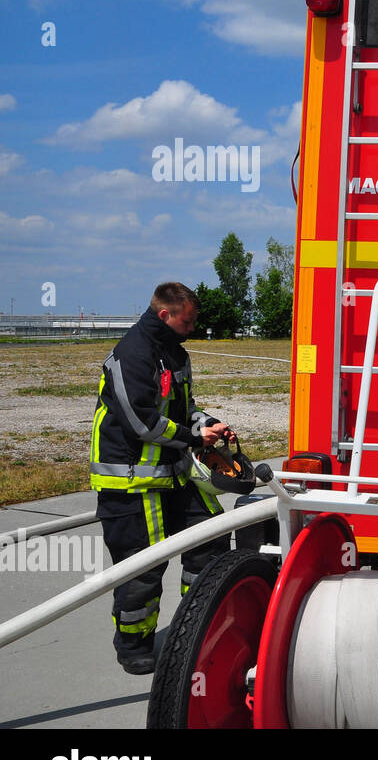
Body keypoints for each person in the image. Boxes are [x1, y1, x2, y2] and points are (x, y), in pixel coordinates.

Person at [90, 282, 235, 674]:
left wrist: (209, 424)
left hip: (172, 475)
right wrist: (193, 437)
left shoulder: (174, 354)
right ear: (164, 315)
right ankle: (134, 644)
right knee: (142, 569)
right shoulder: (132, 356)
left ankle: (198, 624)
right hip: (131, 485)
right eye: (186, 321)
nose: (192, 328)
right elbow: (142, 422)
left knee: (210, 538)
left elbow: (183, 408)